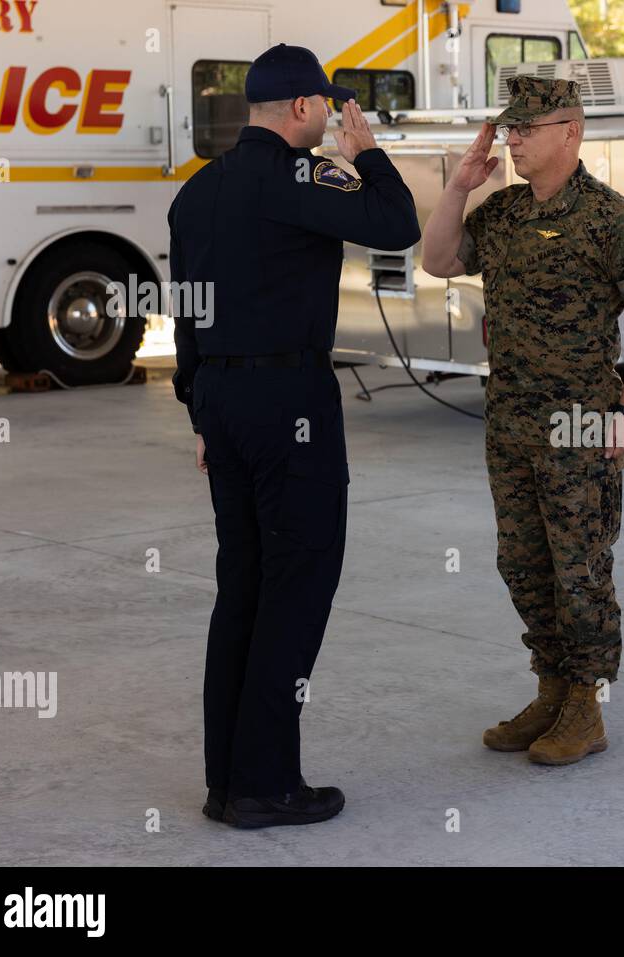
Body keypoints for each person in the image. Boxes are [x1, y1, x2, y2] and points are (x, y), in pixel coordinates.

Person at [169, 43, 419, 827]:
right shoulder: (302, 176)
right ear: (305, 109)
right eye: (327, 107)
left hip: (223, 399)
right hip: (290, 406)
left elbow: (189, 312)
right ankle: (267, 783)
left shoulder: (196, 193)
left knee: (242, 587)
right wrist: (369, 154)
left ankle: (227, 778)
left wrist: (199, 409)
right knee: (296, 587)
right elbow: (398, 225)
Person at [421, 75, 624, 765]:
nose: (514, 140)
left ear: (572, 131)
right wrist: (459, 186)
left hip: (582, 428)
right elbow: (437, 259)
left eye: (527, 129)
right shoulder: (499, 214)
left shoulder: (611, 219)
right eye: (510, 129)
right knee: (522, 563)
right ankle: (551, 686)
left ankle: (584, 706)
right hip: (510, 424)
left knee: (580, 567)